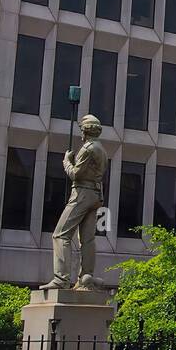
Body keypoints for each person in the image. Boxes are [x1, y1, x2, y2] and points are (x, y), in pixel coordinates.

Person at [50, 114, 107, 289]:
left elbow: (75, 174)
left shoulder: (88, 148)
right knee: (88, 238)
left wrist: (67, 161)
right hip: (96, 195)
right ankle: (86, 277)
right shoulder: (101, 149)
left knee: (60, 234)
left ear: (85, 131)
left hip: (82, 193)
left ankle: (61, 278)